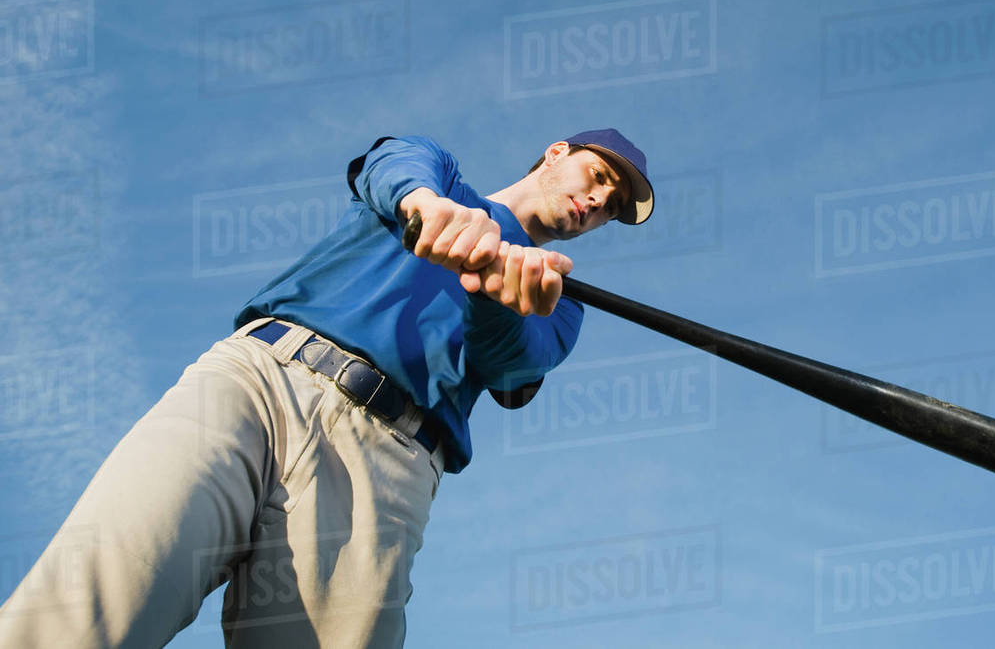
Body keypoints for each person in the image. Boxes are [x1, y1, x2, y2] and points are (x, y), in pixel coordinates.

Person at [0, 128, 654, 648]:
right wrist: (427, 208)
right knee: (92, 598)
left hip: (385, 464)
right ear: (556, 153)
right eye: (598, 178)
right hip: (256, 380)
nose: (599, 203)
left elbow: (516, 365)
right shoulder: (441, 176)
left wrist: (492, 293)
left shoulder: (559, 300)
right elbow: (390, 166)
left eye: (614, 208)